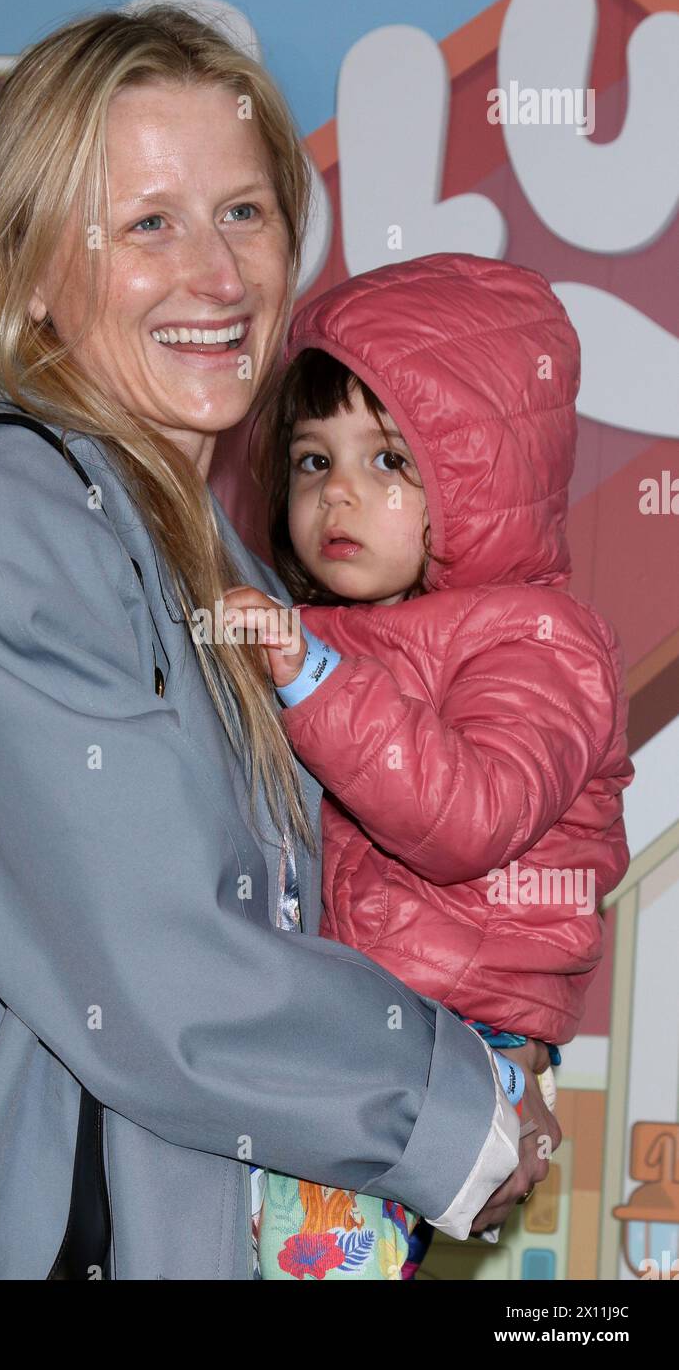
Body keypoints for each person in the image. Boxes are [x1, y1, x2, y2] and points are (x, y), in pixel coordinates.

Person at [0, 12, 552, 1281]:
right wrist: (455, 1107)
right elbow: (161, 973)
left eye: (243, 214)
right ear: (32, 268)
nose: (215, 277)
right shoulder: (8, 514)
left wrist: (495, 1009)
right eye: (145, 223)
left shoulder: (235, 568)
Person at [222, 253, 634, 1280]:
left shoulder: (538, 640)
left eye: (389, 461)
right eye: (312, 461)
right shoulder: (325, 629)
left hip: (457, 1029)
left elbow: (466, 813)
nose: (337, 496)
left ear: (478, 478)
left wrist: (310, 677)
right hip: (367, 1016)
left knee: (306, 1258)